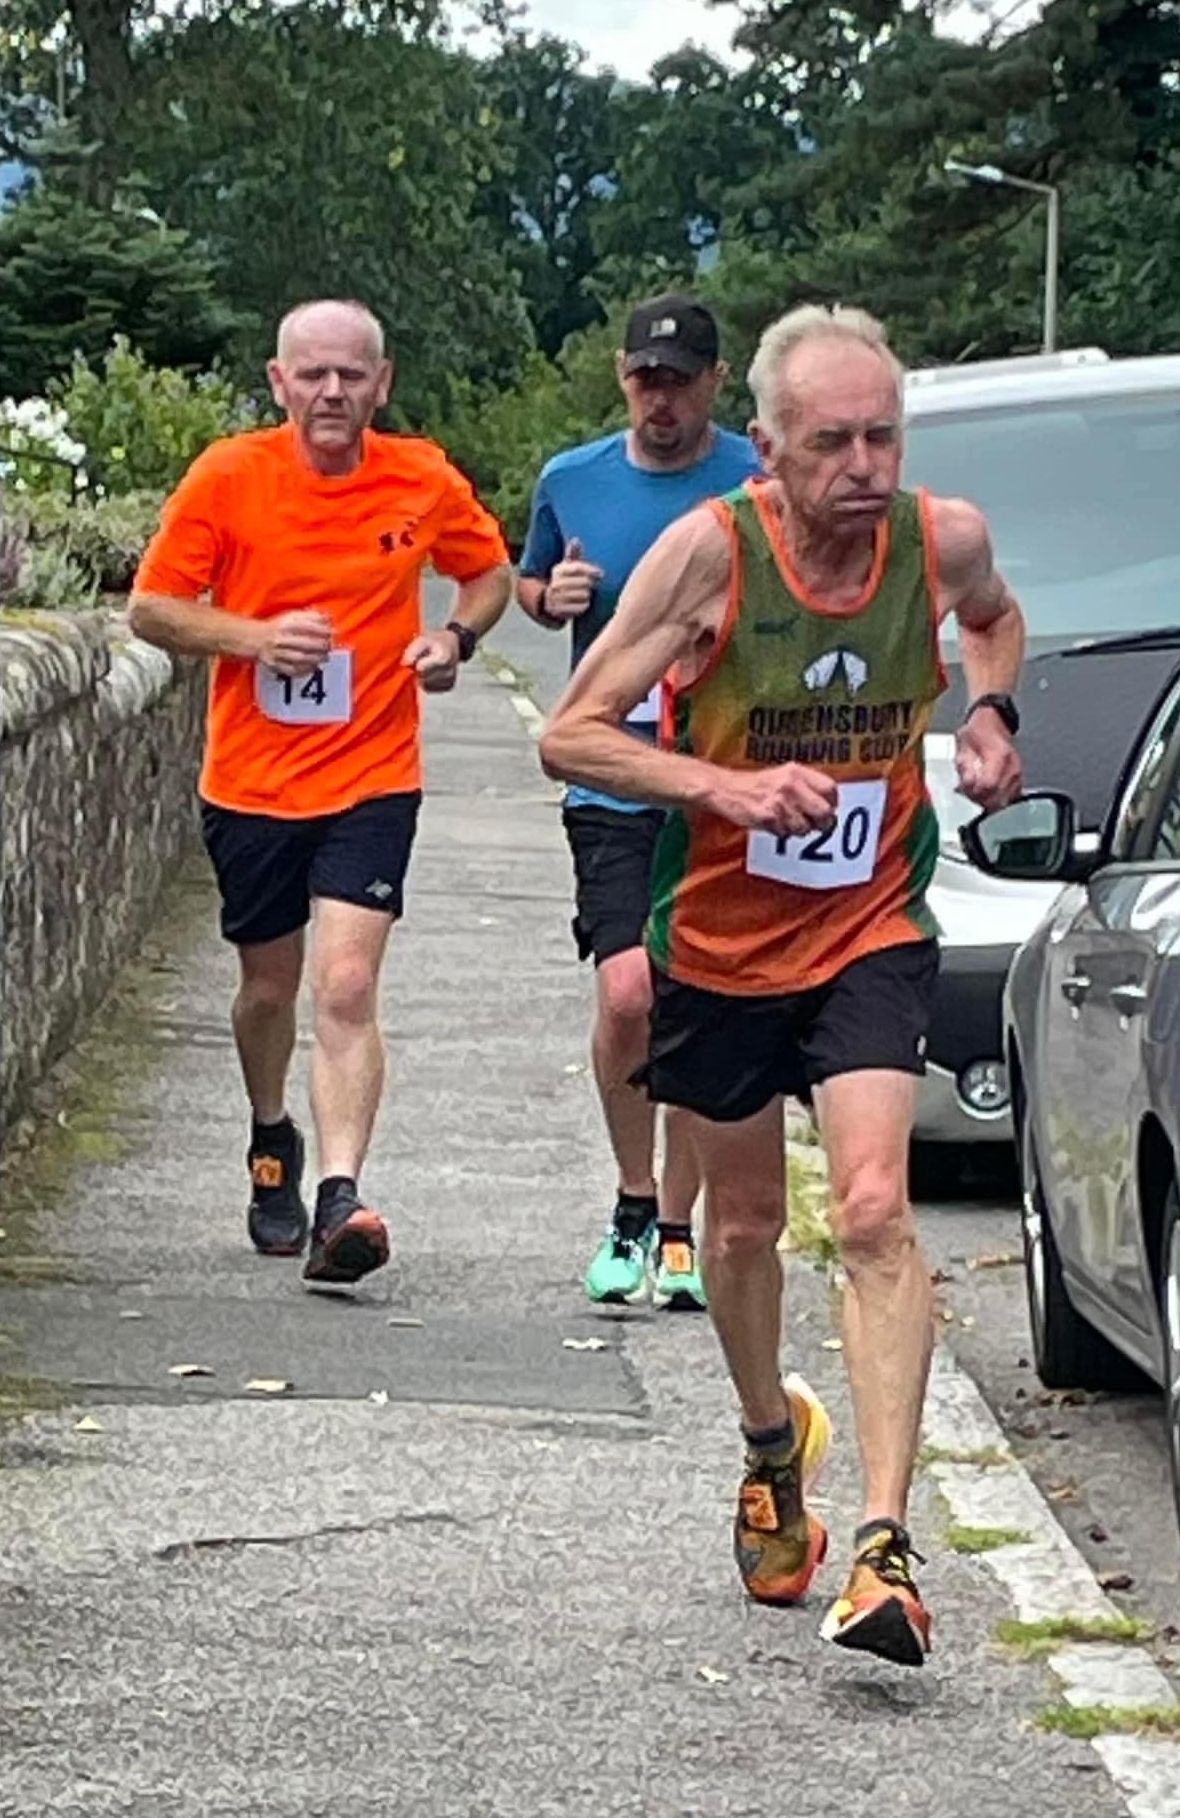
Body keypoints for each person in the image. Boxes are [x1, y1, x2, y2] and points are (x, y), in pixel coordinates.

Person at [539, 303, 1026, 1665]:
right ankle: (772, 1445)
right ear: (768, 447)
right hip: (719, 940)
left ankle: (883, 1548)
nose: (863, 466)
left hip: (872, 923)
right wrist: (724, 788)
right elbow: (571, 735)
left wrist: (990, 714)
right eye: (832, 442)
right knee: (744, 1228)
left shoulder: (942, 541)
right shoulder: (709, 560)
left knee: (873, 1207)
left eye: (882, 436)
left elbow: (993, 624)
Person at [129, 299, 512, 1288]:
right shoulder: (230, 475)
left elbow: (488, 573)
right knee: (268, 988)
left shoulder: (421, 475)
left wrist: (453, 639)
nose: (332, 392)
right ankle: (272, 1141)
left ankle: (342, 1196)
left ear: (381, 384)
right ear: (279, 382)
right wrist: (254, 639)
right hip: (252, 782)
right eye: (313, 374)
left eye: (351, 375)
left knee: (344, 985)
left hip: (373, 775)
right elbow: (150, 608)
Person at [518, 294, 761, 1312]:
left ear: (714, 380)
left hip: (719, 778)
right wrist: (552, 598)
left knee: (695, 1000)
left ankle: (675, 1228)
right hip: (613, 774)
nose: (661, 399)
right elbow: (530, 584)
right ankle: (632, 1197)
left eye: (680, 380)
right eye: (643, 379)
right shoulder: (572, 479)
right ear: (623, 378)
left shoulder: (756, 480)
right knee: (628, 994)